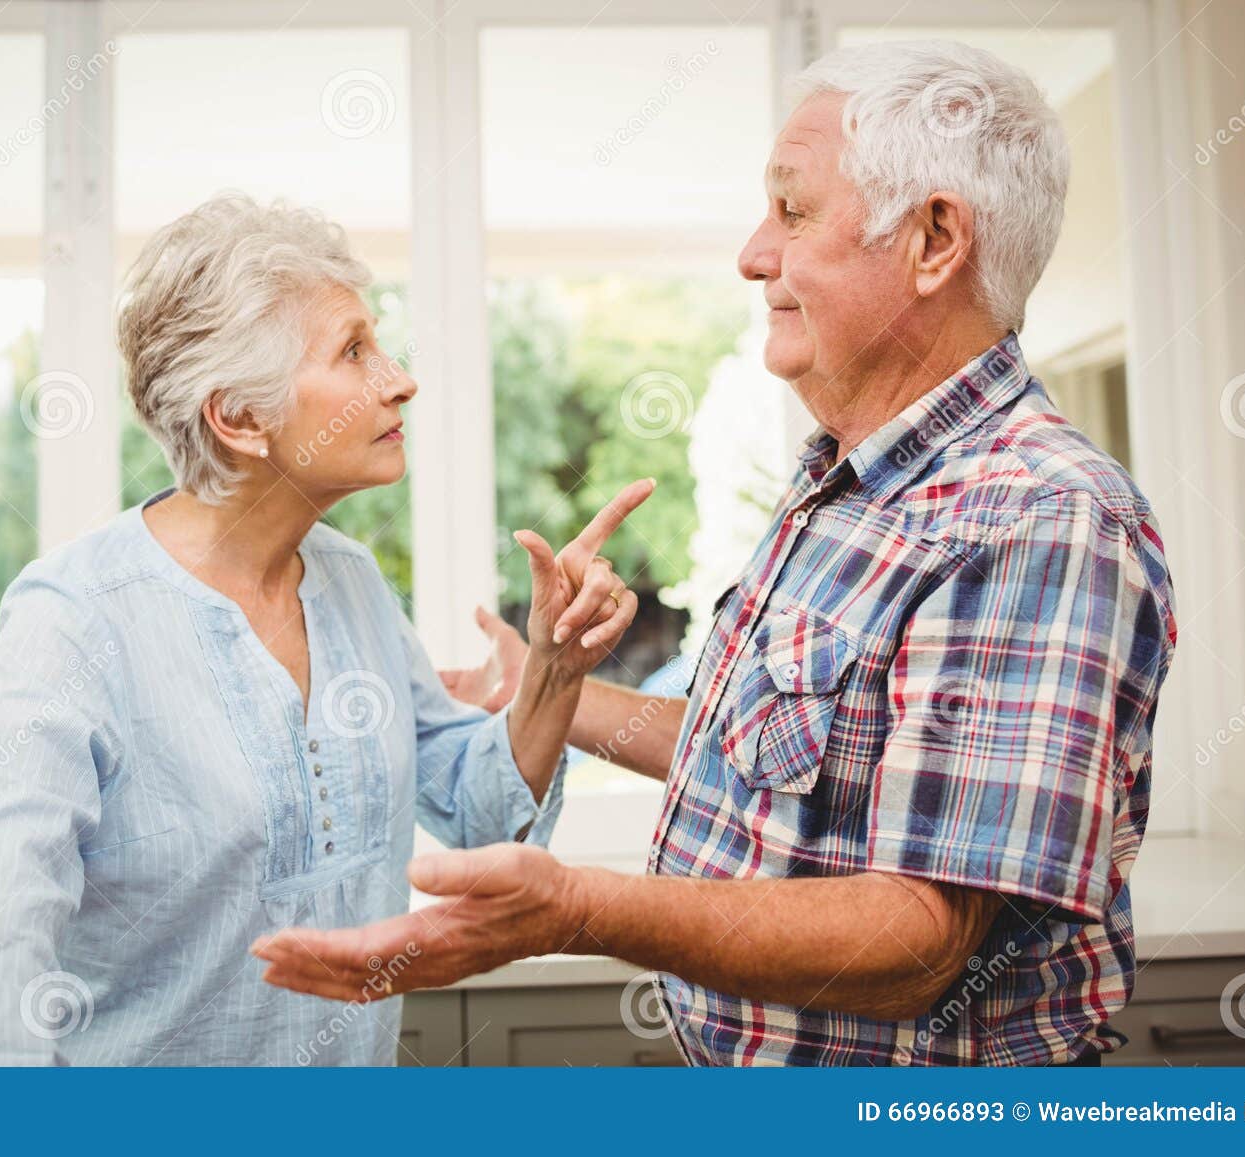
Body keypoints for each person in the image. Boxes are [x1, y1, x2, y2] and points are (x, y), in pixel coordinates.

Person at [251, 41, 1179, 1068]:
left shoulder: (1034, 515)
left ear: (932, 240)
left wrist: (576, 908)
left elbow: (918, 937)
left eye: (791, 211)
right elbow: (779, 756)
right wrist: (551, 691)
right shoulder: (845, 481)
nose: (750, 253)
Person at [0, 193, 652, 1065]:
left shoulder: (352, 580)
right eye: (353, 350)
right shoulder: (74, 618)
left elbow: (480, 809)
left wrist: (555, 672)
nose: (399, 377)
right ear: (240, 418)